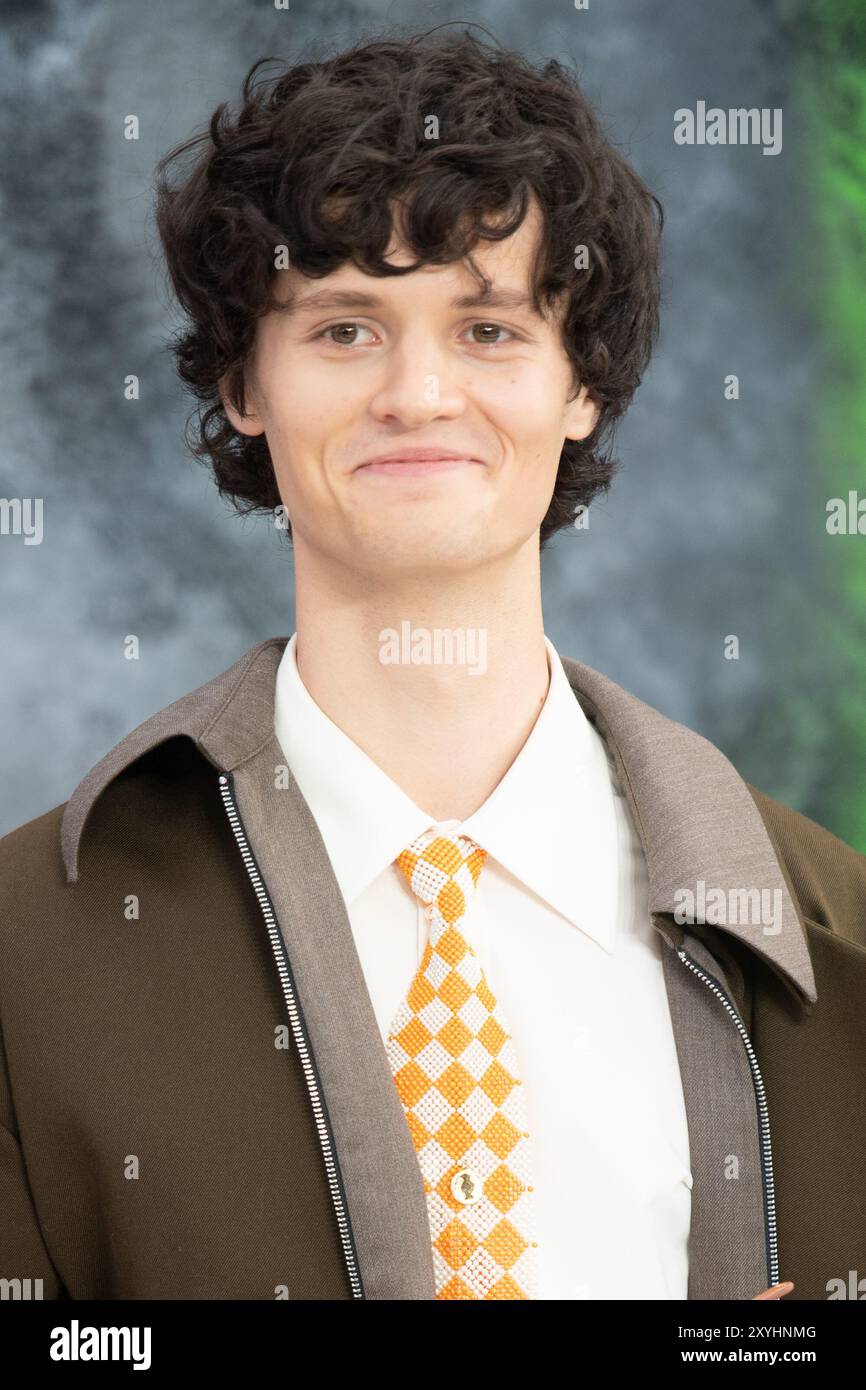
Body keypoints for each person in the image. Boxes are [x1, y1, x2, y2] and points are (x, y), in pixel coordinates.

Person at [1, 27, 864, 1303]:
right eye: (345, 329)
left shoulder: (835, 934)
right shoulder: (26, 948)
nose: (416, 394)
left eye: (488, 329)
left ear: (583, 384)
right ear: (245, 382)